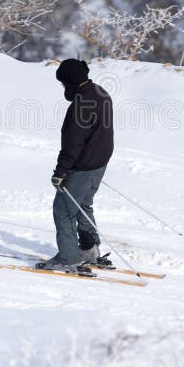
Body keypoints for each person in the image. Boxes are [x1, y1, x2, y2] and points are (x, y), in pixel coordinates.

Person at [37, 59, 114, 272]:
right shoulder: (100, 93)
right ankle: (89, 250)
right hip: (99, 162)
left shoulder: (81, 105)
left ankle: (69, 259)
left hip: (82, 165)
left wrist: (60, 172)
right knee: (83, 205)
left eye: (63, 83)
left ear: (70, 81)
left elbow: (73, 143)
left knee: (63, 210)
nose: (63, 87)